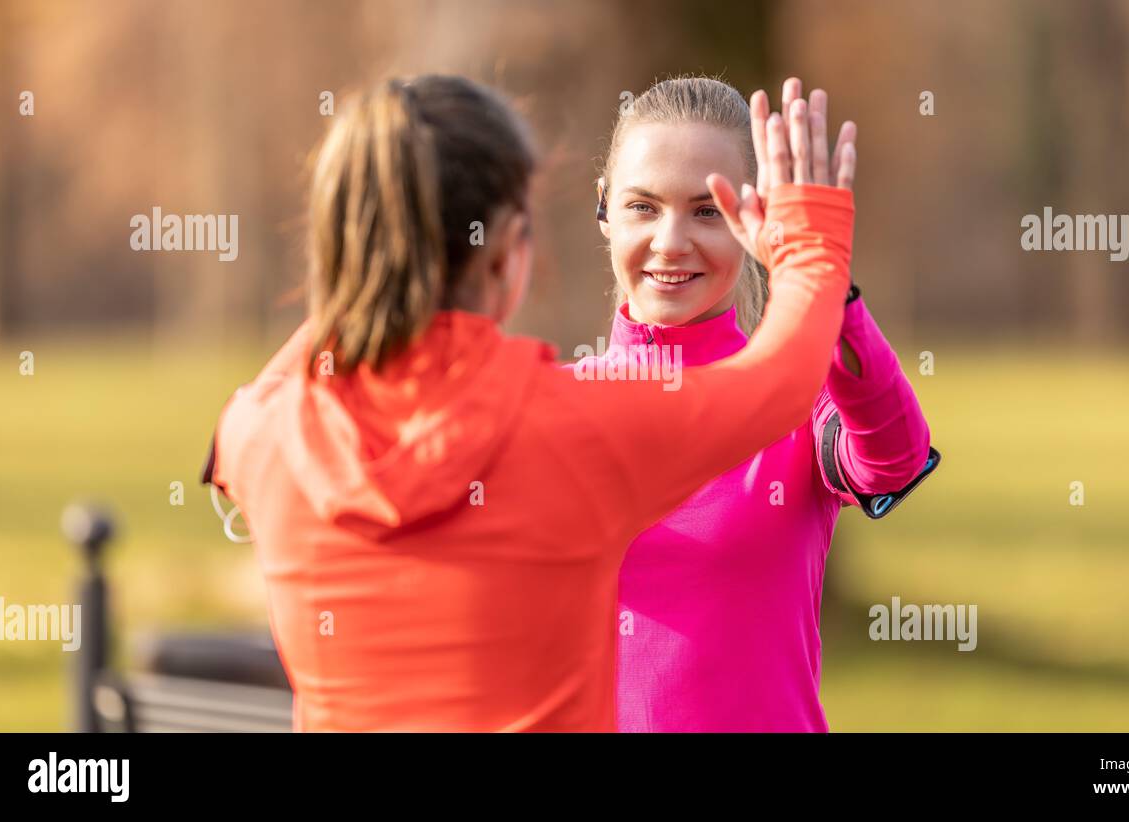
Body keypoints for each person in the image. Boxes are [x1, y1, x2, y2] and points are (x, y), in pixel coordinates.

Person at [205, 74, 859, 731]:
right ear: (508, 255)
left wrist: (371, 266)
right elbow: (782, 379)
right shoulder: (580, 427)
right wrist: (809, 241)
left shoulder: (260, 433)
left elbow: (252, 413)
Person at [585, 76, 938, 732]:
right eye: (643, 207)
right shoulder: (555, 408)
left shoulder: (796, 403)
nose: (670, 241)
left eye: (706, 210)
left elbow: (895, 456)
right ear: (604, 209)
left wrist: (819, 283)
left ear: (756, 221)